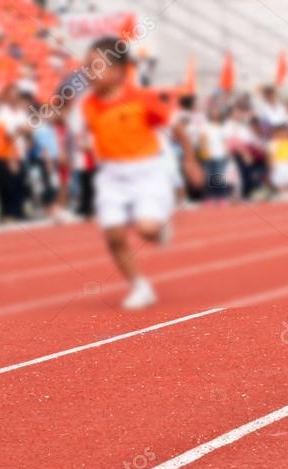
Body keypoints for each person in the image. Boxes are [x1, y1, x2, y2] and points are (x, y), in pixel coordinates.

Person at [79, 37, 202, 310]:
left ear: (118, 71)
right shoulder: (88, 105)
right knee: (113, 234)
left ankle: (158, 228)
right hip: (111, 175)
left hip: (147, 172)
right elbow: (99, 134)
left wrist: (190, 162)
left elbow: (176, 128)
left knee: (146, 228)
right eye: (87, 66)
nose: (88, 72)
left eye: (95, 66)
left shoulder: (142, 98)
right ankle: (140, 286)